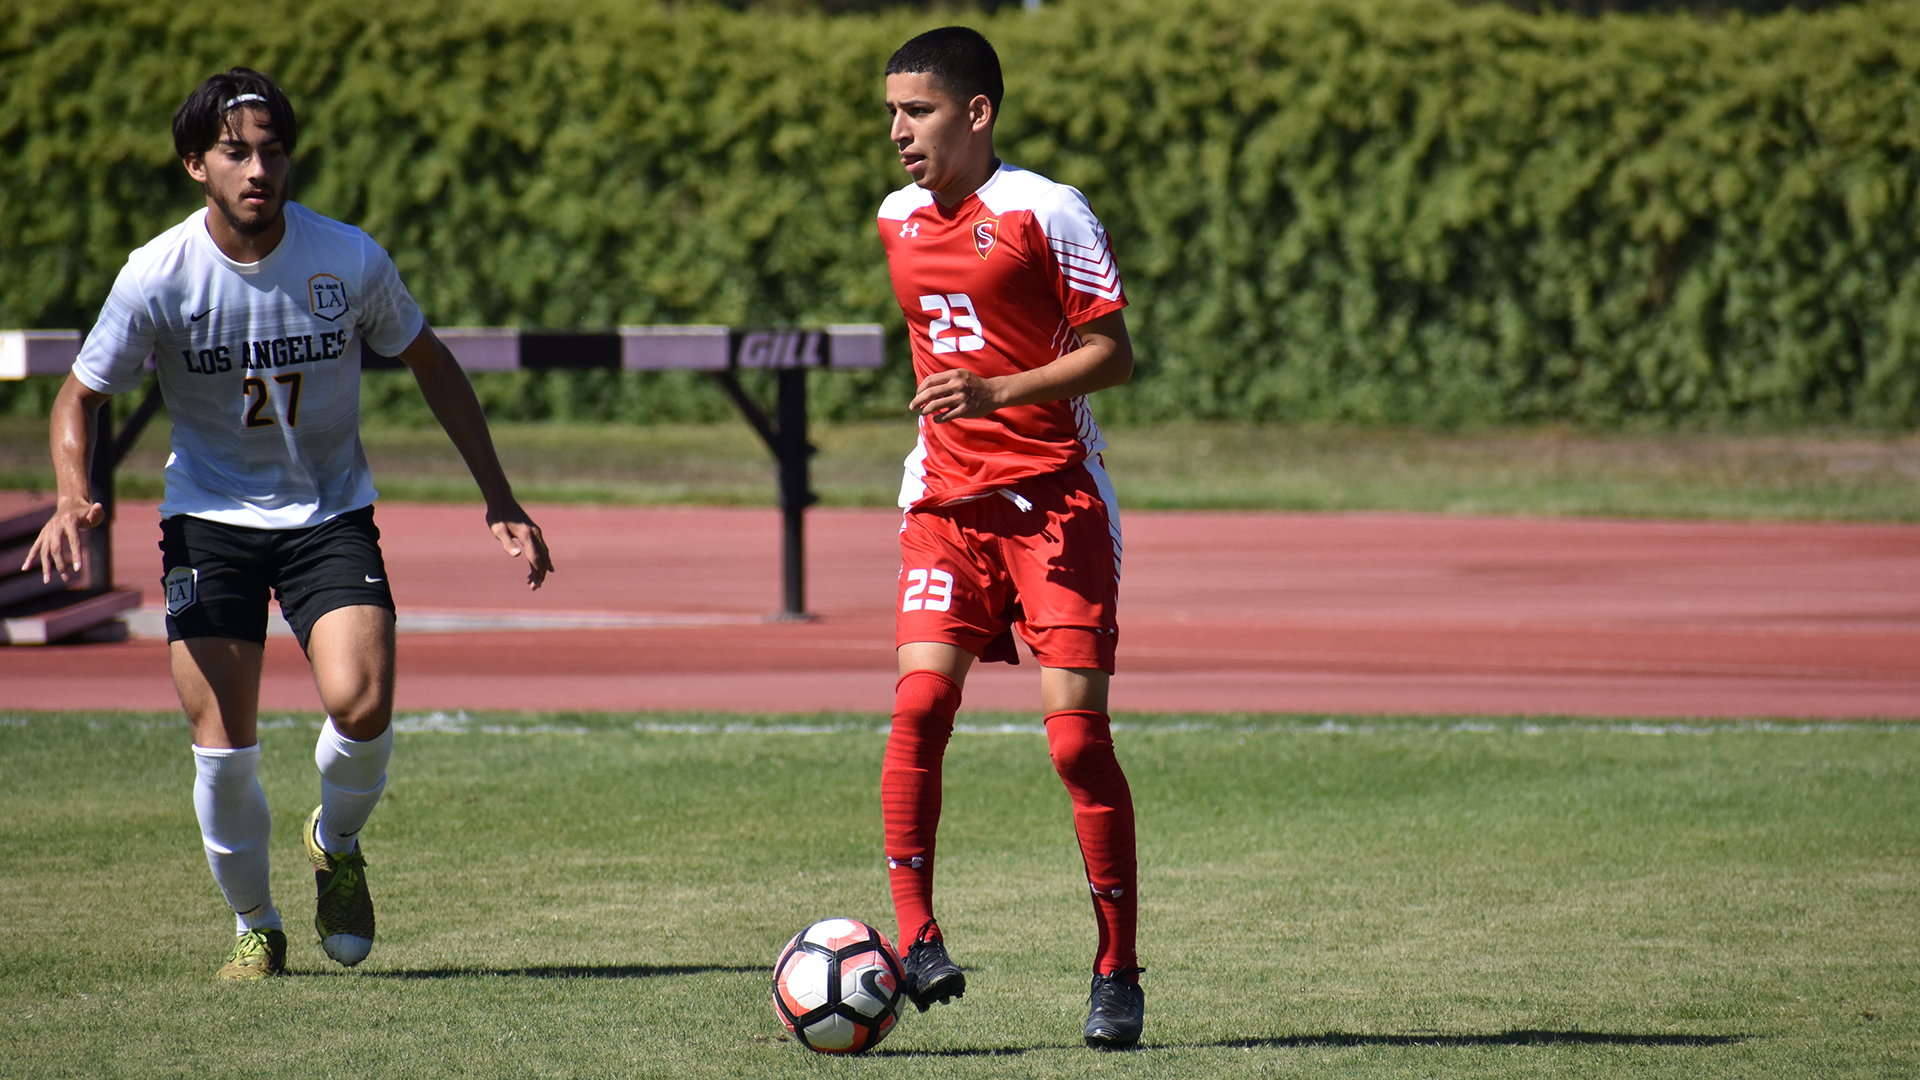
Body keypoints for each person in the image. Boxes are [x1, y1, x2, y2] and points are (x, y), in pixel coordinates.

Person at [23, 68, 554, 980]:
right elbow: (81, 395)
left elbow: (431, 364)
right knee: (224, 746)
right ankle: (255, 927)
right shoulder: (158, 272)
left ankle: (336, 844)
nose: (258, 168)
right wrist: (73, 492)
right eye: (236, 152)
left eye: (273, 150)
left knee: (363, 701)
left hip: (329, 515)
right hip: (209, 525)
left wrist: (499, 495)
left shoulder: (348, 258)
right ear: (197, 164)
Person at [876, 27, 1144, 1050]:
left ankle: (1117, 968)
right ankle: (915, 938)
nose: (901, 132)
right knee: (921, 703)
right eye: (894, 112)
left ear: (976, 113)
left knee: (1076, 742)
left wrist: (997, 392)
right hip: (945, 504)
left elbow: (1114, 357)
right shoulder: (898, 219)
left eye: (921, 111)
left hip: (1056, 502)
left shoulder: (1047, 209)